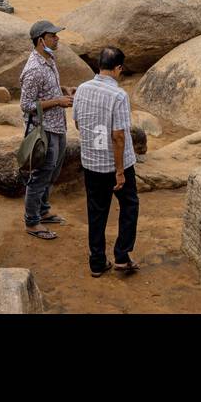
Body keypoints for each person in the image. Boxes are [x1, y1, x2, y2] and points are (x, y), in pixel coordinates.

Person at [72, 46, 139, 277]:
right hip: (116, 165)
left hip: (91, 162)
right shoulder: (118, 95)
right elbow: (118, 136)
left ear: (99, 65)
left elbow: (79, 124)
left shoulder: (82, 89)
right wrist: (120, 172)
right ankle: (122, 255)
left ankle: (97, 262)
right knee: (129, 205)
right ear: (118, 68)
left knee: (97, 211)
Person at [20, 19, 74, 240]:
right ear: (41, 40)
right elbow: (26, 105)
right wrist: (57, 101)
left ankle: (43, 210)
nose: (57, 38)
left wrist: (64, 90)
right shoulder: (33, 69)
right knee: (40, 176)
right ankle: (32, 222)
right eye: (53, 36)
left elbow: (46, 90)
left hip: (57, 126)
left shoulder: (49, 59)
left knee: (52, 172)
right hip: (43, 131)